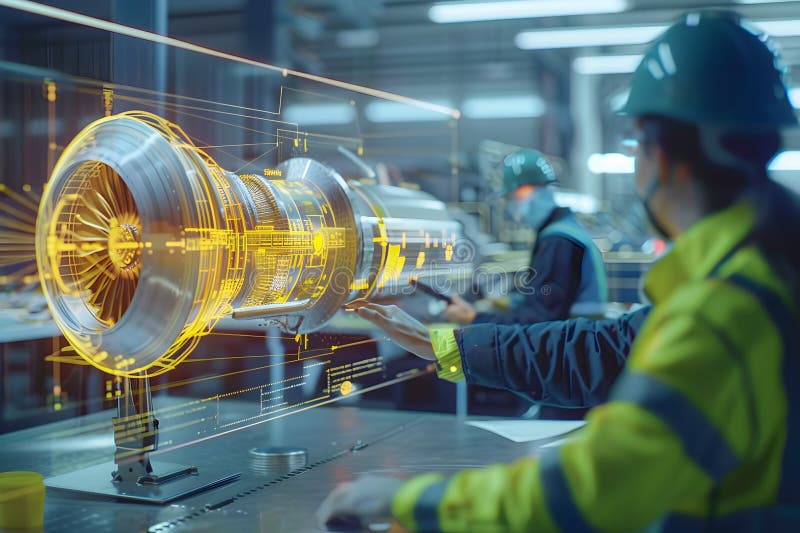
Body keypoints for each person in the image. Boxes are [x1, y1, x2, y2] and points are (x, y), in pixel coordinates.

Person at [318, 10, 800, 532]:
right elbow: (605, 349)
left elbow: (591, 492)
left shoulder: (723, 311)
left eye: (636, 142)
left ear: (662, 156)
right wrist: (446, 344)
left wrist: (410, 502)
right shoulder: (761, 269)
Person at [444, 148, 608, 326]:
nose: (513, 205)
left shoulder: (559, 241)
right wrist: (510, 302)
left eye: (518, 196)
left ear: (543, 190)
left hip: (575, 343)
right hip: (578, 336)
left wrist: (475, 319)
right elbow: (545, 298)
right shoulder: (562, 230)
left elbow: (542, 320)